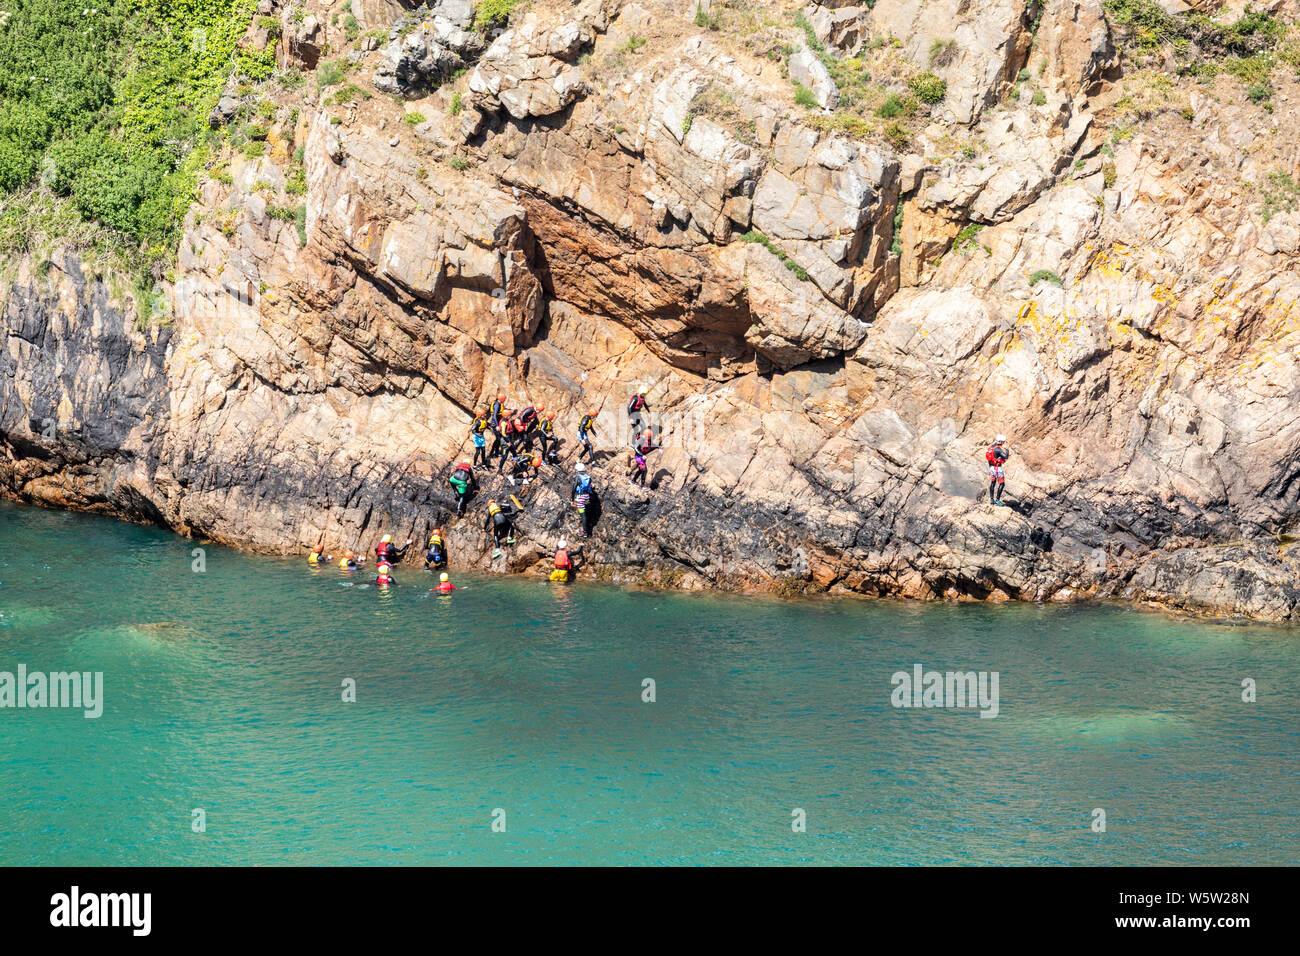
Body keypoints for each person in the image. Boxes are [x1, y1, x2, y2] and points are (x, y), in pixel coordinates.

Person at [986, 434, 1011, 506]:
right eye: (1003, 442)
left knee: (993, 483)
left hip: (991, 468)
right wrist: (1007, 450)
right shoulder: (998, 449)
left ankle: (991, 500)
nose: (1004, 443)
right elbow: (1006, 456)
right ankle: (997, 500)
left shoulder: (992, 446)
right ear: (1000, 441)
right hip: (997, 468)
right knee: (1002, 484)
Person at [572, 462, 594, 537]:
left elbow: (574, 488)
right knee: (582, 511)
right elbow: (590, 487)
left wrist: (572, 499)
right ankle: (581, 514)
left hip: (580, 497)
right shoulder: (588, 476)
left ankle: (585, 532)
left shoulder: (578, 477)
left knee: (583, 515)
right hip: (586, 496)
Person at [488, 393, 507, 460]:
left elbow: (503, 409)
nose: (504, 400)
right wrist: (496, 426)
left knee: (499, 438)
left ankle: (496, 453)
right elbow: (494, 416)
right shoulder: (496, 405)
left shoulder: (499, 404)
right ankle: (491, 453)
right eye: (504, 399)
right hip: (494, 424)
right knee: (498, 438)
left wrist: (510, 409)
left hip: (498, 423)